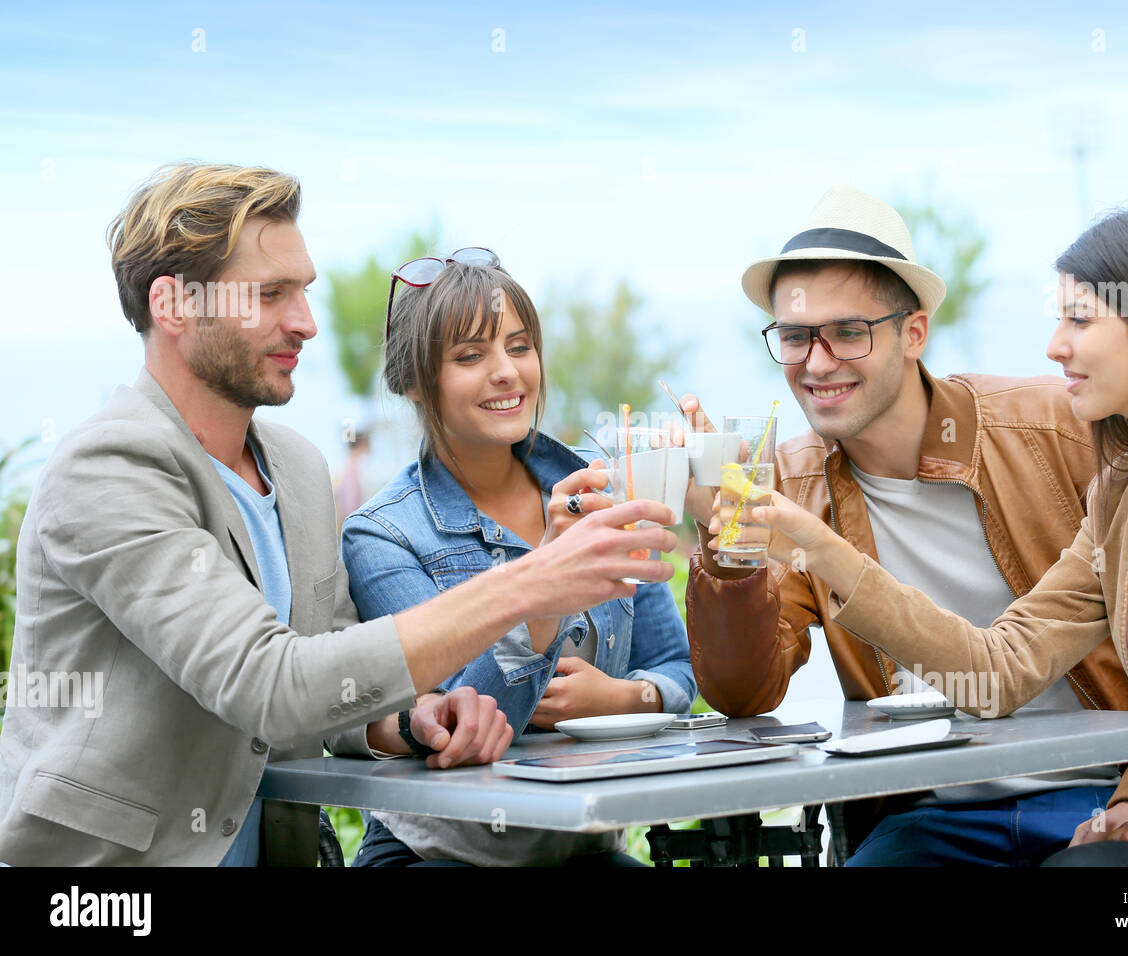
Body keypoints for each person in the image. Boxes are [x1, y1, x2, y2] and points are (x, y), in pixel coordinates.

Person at [0, 164, 676, 866]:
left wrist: (410, 721)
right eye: (269, 295)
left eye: (303, 292)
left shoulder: (294, 468)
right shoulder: (107, 470)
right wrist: (535, 582)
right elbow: (270, 684)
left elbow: (340, 680)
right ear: (172, 305)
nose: (306, 323)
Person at [730, 206, 1128, 867]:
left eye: (1080, 319)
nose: (1055, 346)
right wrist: (817, 545)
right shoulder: (1123, 497)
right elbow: (994, 674)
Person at [682, 186, 1128, 866]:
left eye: (848, 332)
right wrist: (728, 551)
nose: (816, 363)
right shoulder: (788, 485)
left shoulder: (1061, 429)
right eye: (794, 336)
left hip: (1099, 794)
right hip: (931, 820)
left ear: (914, 332)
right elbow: (743, 693)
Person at [336, 250, 695, 866]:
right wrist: (543, 588)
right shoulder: (382, 536)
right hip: (435, 852)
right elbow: (461, 721)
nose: (506, 372)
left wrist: (618, 699)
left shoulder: (600, 495)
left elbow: (676, 670)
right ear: (417, 383)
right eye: (470, 356)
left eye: (520, 346)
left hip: (578, 848)